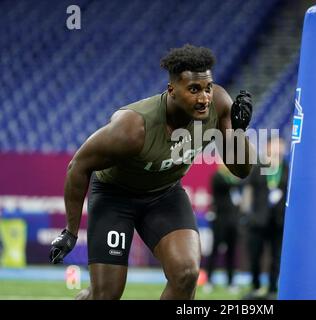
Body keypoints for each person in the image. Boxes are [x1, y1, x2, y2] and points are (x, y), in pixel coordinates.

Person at [49, 44, 254, 300]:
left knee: (186, 273)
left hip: (164, 195)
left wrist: (238, 130)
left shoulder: (219, 105)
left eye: (208, 88)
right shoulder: (133, 127)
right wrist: (70, 232)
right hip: (115, 197)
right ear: (172, 91)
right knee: (106, 294)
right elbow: (78, 166)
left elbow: (241, 170)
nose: (204, 98)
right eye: (194, 89)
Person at [242, 137, 288, 300]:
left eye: (281, 145)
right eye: (275, 145)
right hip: (257, 221)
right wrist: (246, 214)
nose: (278, 148)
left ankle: (272, 288)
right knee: (255, 255)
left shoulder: (288, 168)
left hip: (279, 221)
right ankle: (255, 287)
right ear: (267, 147)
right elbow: (248, 190)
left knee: (276, 256)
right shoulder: (258, 167)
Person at [204, 163, 241, 293]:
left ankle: (231, 282)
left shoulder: (233, 179)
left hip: (233, 220)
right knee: (215, 250)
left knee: (231, 252)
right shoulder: (218, 177)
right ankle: (209, 280)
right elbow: (226, 186)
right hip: (220, 219)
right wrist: (237, 179)